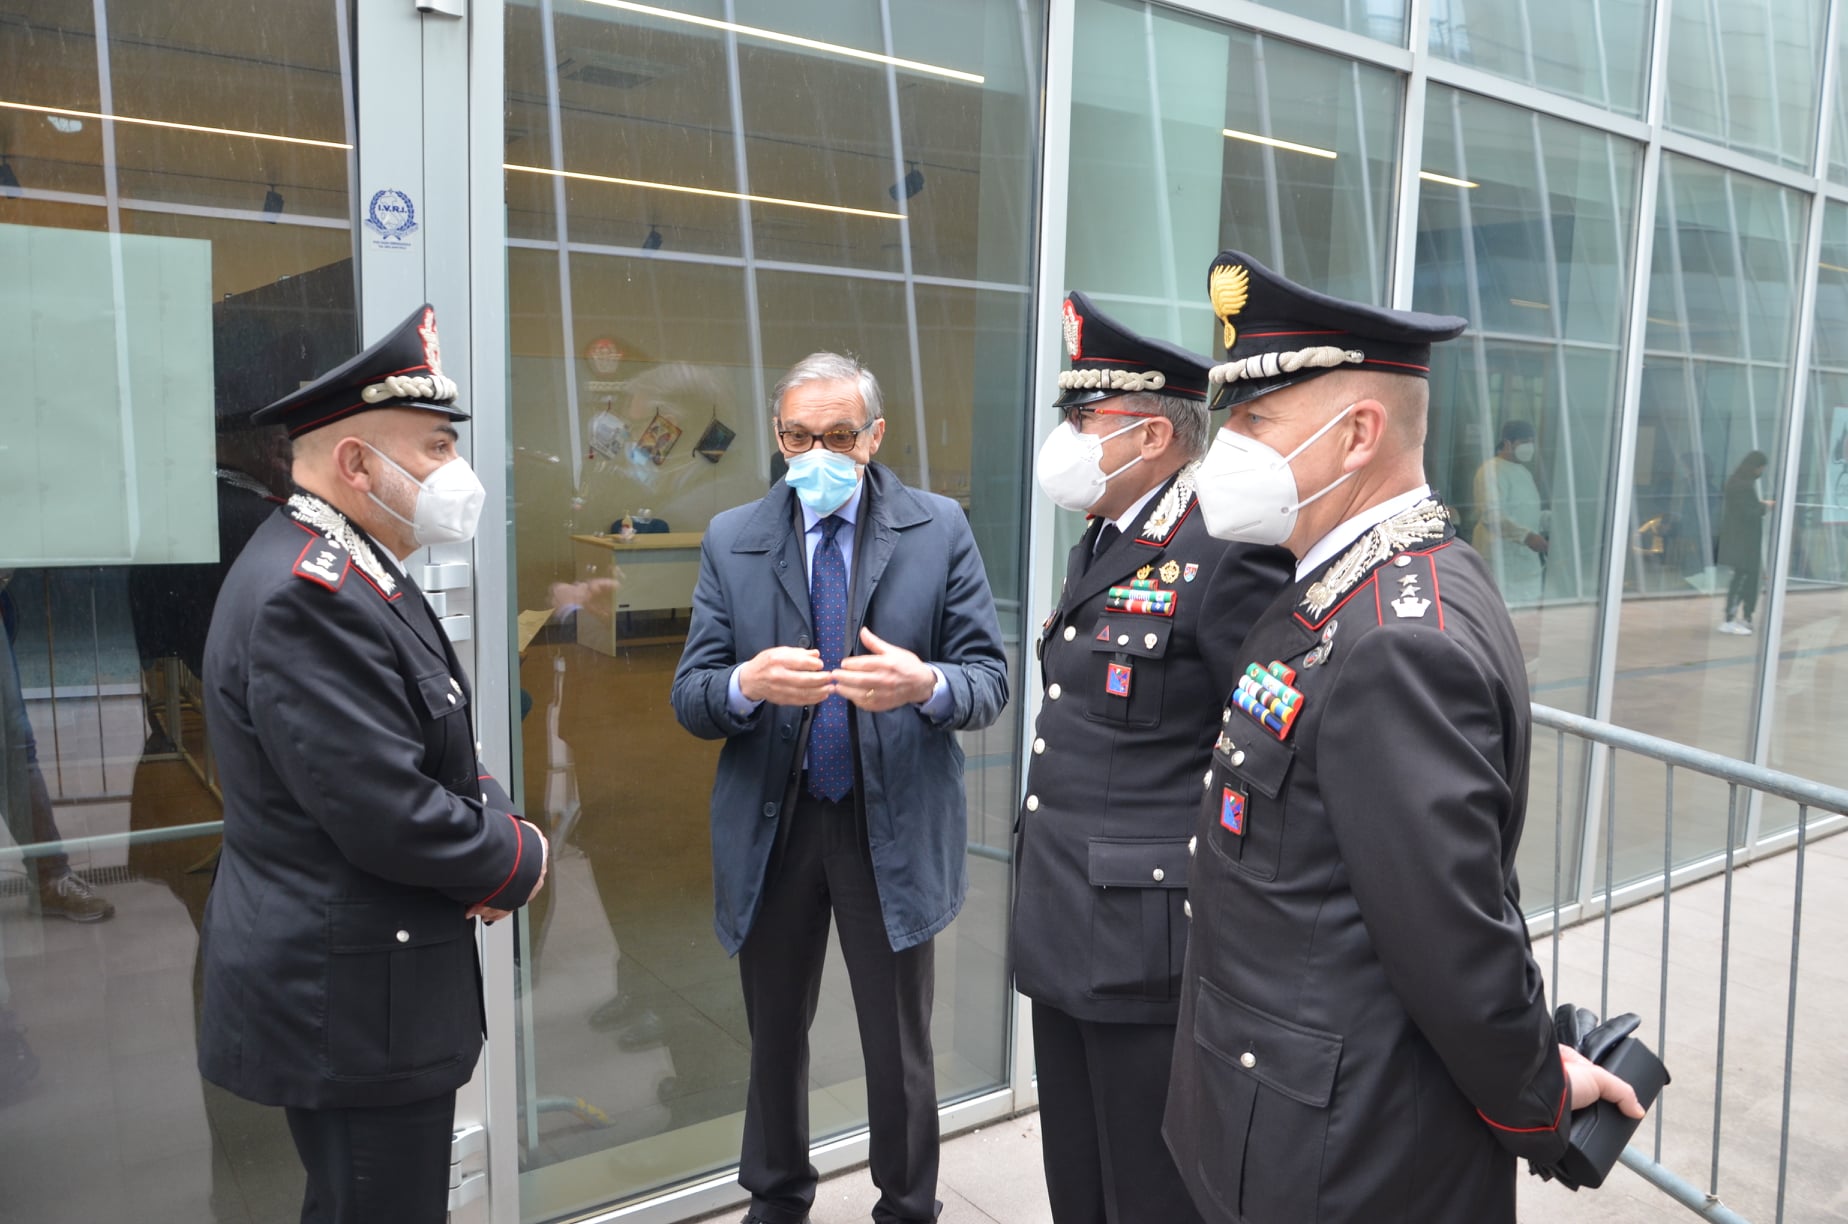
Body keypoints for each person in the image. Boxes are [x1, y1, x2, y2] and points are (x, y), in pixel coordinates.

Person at [1166, 251, 1645, 1224]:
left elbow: (1451, 934)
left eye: (1256, 422)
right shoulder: (1338, 590)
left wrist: (1540, 1101)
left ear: (1356, 437)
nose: (1228, 450)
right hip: (1277, 1105)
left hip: (1340, 1155)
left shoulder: (1396, 639)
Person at [196, 304, 550, 1224]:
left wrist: (490, 818)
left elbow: (443, 747)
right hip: (347, 999)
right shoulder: (307, 595)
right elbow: (386, 811)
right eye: (433, 448)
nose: (455, 472)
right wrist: (518, 860)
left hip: (369, 982)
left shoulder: (360, 565)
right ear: (356, 465)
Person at [670, 352, 1008, 1224]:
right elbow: (692, 696)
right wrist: (746, 684)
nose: (814, 451)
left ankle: (906, 1206)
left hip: (885, 823)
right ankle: (776, 1199)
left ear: (875, 436)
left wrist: (924, 686)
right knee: (774, 1035)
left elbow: (988, 679)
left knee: (898, 1045)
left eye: (836, 435)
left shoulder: (937, 529)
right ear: (778, 435)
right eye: (796, 435)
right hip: (775, 827)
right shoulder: (733, 537)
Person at [1012, 292, 1291, 1224]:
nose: (1069, 441)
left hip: (1145, 939)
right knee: (1079, 1178)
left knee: (1148, 1187)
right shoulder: (1107, 531)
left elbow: (1263, 747)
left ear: (1151, 438)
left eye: (1085, 421)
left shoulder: (1223, 549)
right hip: (1065, 918)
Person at [1471, 418, 1548, 606]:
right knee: (1497, 613)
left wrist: (1551, 519)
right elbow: (1492, 516)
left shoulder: (1524, 472)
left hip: (1524, 564)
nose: (1529, 447)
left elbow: (1528, 512)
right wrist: (1527, 537)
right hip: (1499, 559)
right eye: (1524, 442)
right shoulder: (1491, 471)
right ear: (1507, 443)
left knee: (1526, 619)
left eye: (1531, 441)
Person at [1716, 450, 1772, 635]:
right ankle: (1731, 619)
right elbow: (1748, 513)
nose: (1761, 472)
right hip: (1744, 542)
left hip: (1741, 541)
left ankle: (1742, 617)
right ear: (1755, 467)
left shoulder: (1738, 482)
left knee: (1746, 580)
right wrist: (1765, 506)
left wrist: (1759, 504)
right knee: (1742, 580)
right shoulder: (1742, 486)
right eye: (1761, 468)